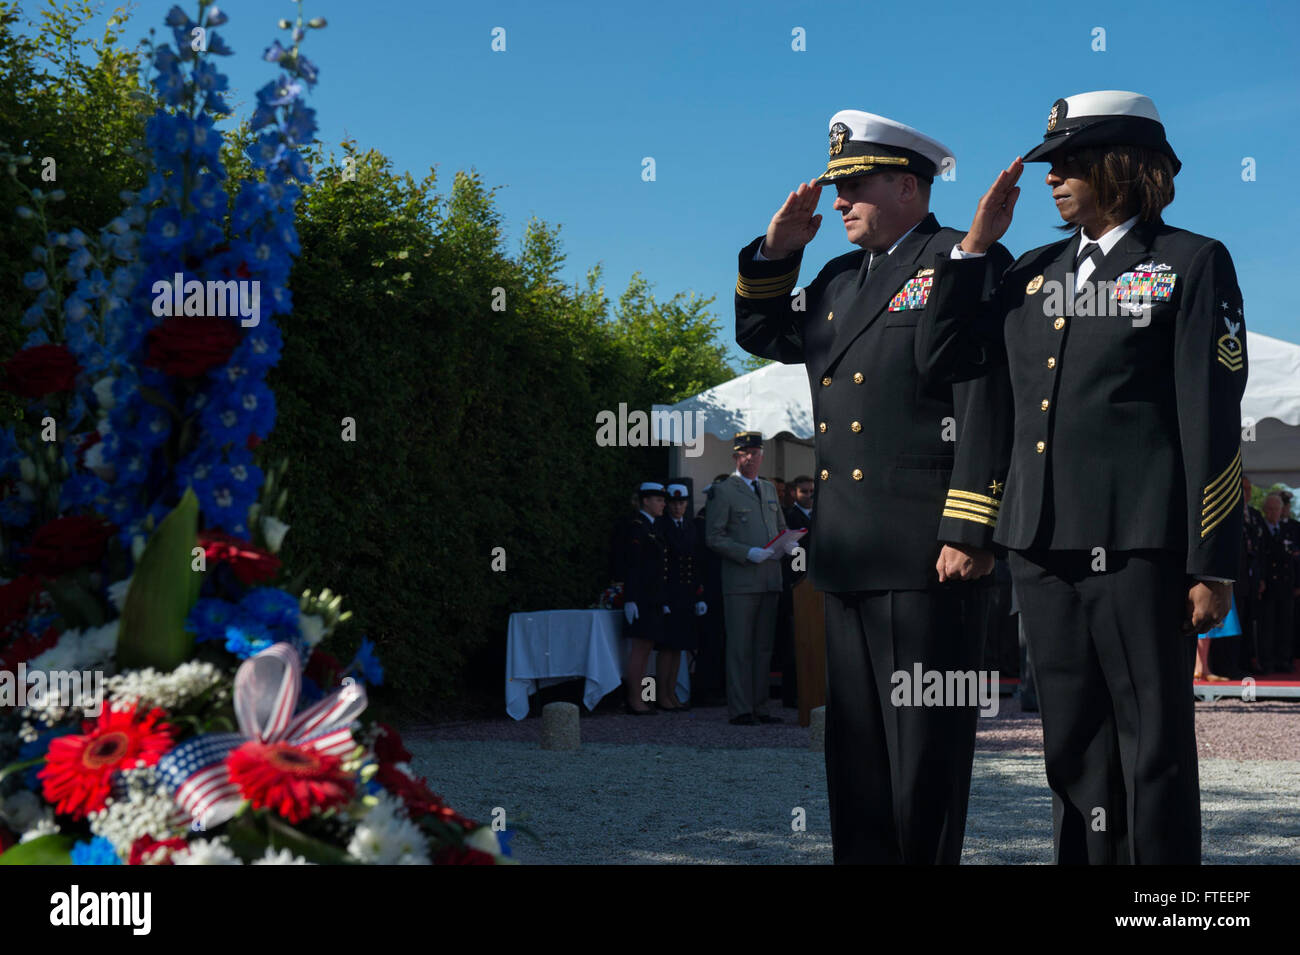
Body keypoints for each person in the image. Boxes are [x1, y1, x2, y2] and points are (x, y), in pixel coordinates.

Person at [916, 90, 1247, 864]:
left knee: (1151, 741)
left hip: (1141, 545)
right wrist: (973, 249)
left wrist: (1213, 560)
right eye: (1050, 165)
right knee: (1069, 741)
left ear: (1121, 167)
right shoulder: (1029, 273)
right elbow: (945, 361)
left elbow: (1211, 416)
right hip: (1039, 542)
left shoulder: (1189, 262)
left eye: (1069, 163)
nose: (1053, 179)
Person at [734, 110, 1013, 864]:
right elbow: (763, 335)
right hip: (850, 550)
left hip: (928, 550)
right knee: (855, 755)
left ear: (907, 185)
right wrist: (774, 253)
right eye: (837, 188)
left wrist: (969, 524)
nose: (840, 202)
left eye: (854, 186)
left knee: (923, 755)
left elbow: (984, 394)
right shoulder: (832, 279)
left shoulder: (964, 256)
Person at [704, 431, 797, 725]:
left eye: (756, 453)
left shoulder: (769, 489)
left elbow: (780, 526)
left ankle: (761, 706)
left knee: (764, 647)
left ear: (762, 456)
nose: (751, 458)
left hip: (770, 578)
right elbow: (713, 537)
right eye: (745, 454)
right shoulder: (724, 490)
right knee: (740, 647)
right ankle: (741, 708)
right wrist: (746, 552)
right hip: (741, 581)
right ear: (735, 457)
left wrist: (789, 543)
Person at [609, 481, 669, 715]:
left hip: (652, 596)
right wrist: (630, 598)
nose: (663, 504)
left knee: (647, 648)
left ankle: (640, 698)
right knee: (640, 649)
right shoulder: (637, 527)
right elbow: (632, 565)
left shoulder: (652, 526)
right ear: (646, 501)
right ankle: (634, 699)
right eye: (658, 500)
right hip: (641, 596)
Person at [656, 484, 707, 711]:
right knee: (667, 647)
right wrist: (663, 599)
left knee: (679, 647)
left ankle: (672, 693)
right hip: (670, 592)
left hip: (686, 593)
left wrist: (699, 594)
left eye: (682, 502)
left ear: (687, 503)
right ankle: (662, 695)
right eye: (674, 503)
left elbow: (695, 561)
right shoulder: (662, 526)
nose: (678, 507)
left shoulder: (690, 525)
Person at [1259, 493, 1298, 673]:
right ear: (1265, 510)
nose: (1274, 512)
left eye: (1277, 509)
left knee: (1285, 625)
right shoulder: (1260, 529)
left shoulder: (1288, 529)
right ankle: (1267, 661)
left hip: (1286, 585)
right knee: (1267, 626)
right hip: (1268, 585)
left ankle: (1284, 659)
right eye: (1271, 509)